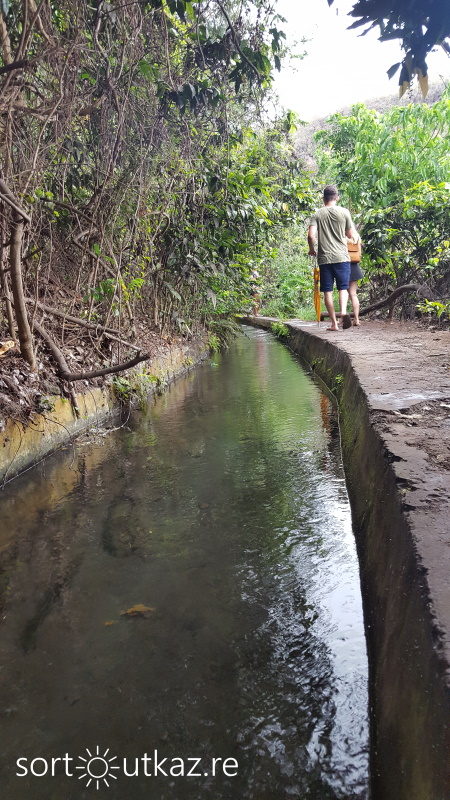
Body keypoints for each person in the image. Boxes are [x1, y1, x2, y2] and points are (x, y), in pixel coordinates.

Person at [307, 185, 357, 331]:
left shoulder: (317, 214)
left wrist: (311, 249)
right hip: (342, 256)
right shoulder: (344, 212)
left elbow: (311, 235)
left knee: (327, 291)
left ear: (323, 199)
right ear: (337, 198)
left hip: (325, 258)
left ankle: (334, 324)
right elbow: (350, 235)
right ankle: (342, 312)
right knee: (343, 288)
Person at [347, 231, 363, 326]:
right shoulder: (357, 237)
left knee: (343, 292)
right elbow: (359, 254)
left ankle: (342, 318)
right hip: (354, 266)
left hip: (343, 266)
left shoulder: (342, 237)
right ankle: (356, 319)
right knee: (353, 294)